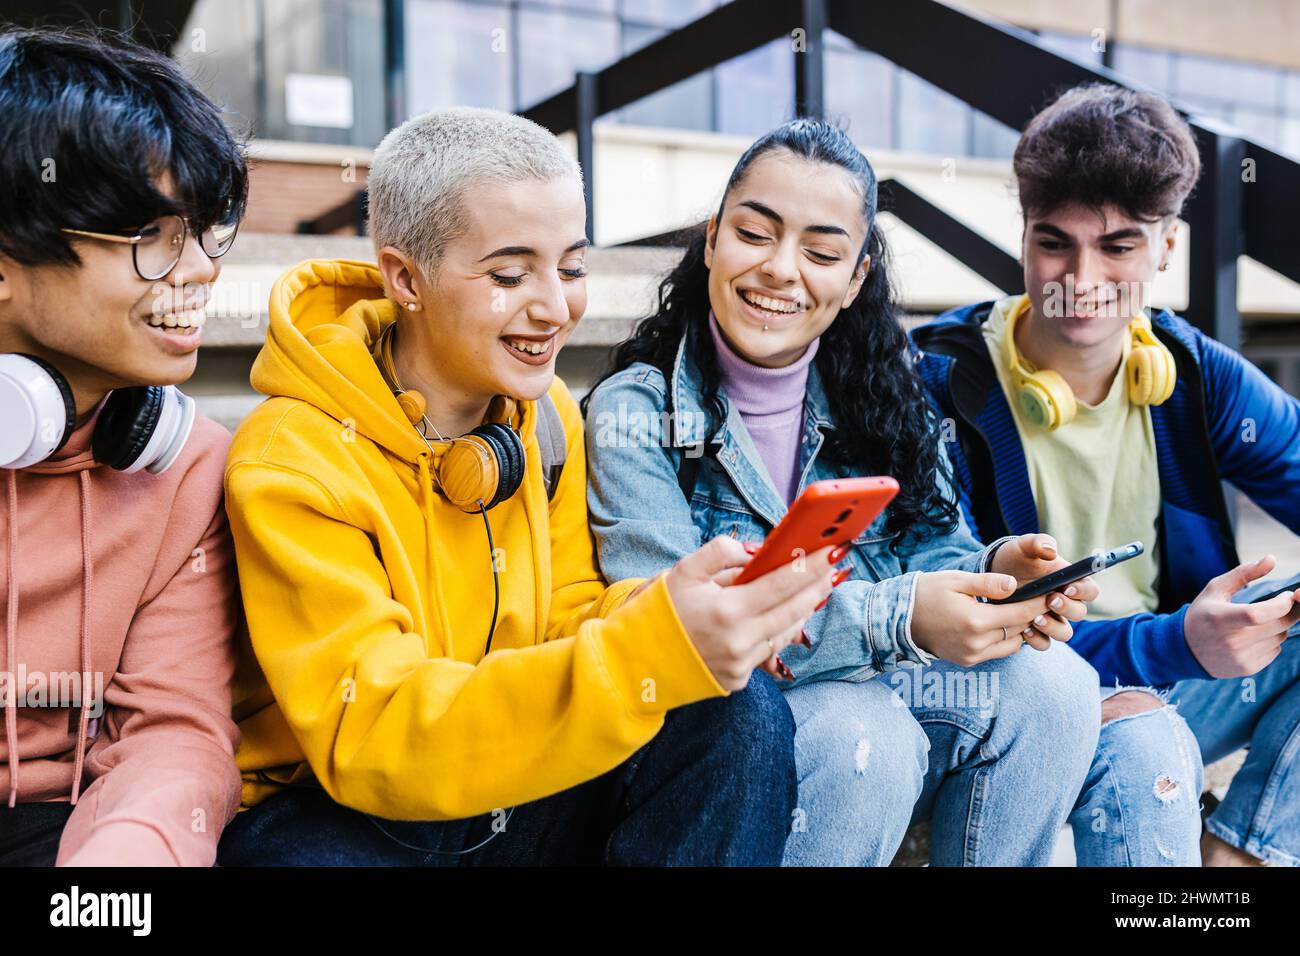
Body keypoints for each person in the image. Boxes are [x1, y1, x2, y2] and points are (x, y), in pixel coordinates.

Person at [216, 106, 835, 866]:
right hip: (342, 811)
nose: (554, 306)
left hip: (514, 789)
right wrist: (650, 653)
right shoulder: (291, 458)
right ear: (405, 277)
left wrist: (668, 608)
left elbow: (570, 612)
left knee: (736, 715)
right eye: (509, 275)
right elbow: (374, 734)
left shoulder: (546, 421)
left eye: (572, 267)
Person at [582, 118, 1102, 866]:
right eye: (754, 235)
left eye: (822, 253)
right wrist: (899, 619)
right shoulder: (639, 410)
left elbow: (937, 547)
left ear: (856, 277)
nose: (781, 271)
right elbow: (670, 627)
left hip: (884, 694)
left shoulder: (883, 392)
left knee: (1056, 685)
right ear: (712, 239)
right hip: (732, 736)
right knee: (869, 732)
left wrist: (997, 577)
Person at [914, 84, 1300, 867]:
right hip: (1010, 697)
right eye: (1053, 242)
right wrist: (1177, 644)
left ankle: (1240, 857)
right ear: (1022, 235)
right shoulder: (933, 380)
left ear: (1166, 248)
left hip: (1173, 670)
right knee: (1139, 741)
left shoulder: (1193, 376)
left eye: (1119, 246)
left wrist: (1187, 647)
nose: (1080, 277)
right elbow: (970, 641)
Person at [0, 27, 247, 865]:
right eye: (152, 235)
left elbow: (174, 736)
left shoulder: (185, 464)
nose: (201, 270)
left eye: (207, 230)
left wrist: (122, 874)